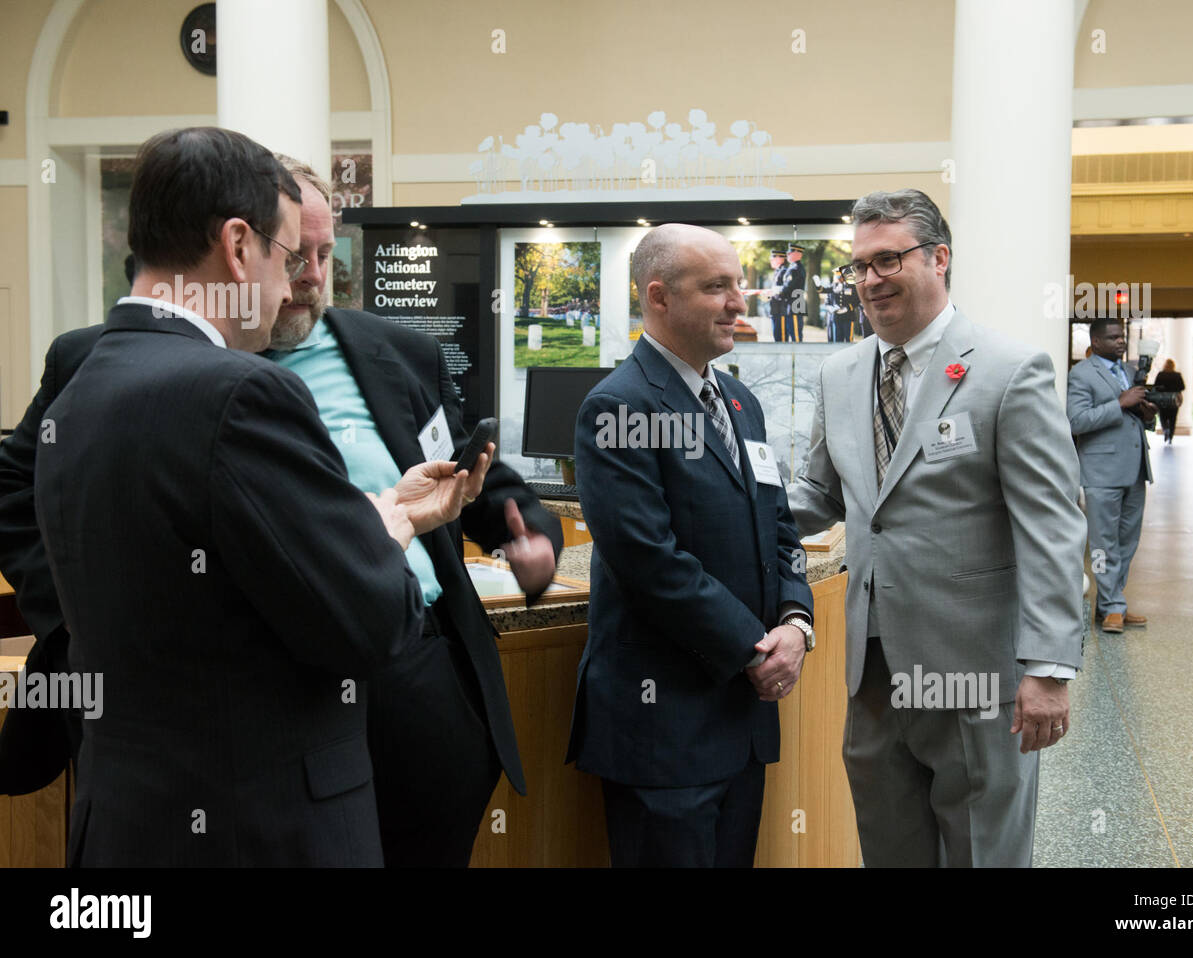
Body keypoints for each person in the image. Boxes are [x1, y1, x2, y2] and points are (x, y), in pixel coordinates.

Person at [22, 127, 491, 866]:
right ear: (238, 247)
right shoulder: (241, 392)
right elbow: (369, 621)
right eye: (281, 256)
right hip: (259, 825)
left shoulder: (90, 381)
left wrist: (381, 514)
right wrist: (379, 535)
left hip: (126, 822)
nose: (291, 286)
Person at [264, 156, 563, 867]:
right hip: (277, 690)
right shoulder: (170, 360)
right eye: (293, 255)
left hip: (417, 678)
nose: (313, 275)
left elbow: (470, 478)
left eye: (325, 253)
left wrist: (530, 533)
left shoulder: (397, 353)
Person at [786, 189, 1086, 867]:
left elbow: (1052, 527)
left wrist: (1048, 667)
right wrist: (720, 509)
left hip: (975, 672)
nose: (868, 280)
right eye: (857, 266)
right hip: (873, 671)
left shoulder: (1010, 372)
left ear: (939, 257)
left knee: (983, 847)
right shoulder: (839, 374)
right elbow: (816, 494)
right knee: (889, 847)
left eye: (886, 260)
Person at [566, 223, 814, 867]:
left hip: (741, 721)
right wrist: (753, 649)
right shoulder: (617, 406)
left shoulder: (738, 402)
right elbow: (650, 560)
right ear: (659, 297)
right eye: (716, 287)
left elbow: (779, 526)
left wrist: (794, 621)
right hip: (664, 726)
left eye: (738, 284)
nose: (739, 302)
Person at [1066, 319, 1156, 635]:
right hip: (1102, 472)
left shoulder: (1130, 373)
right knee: (1104, 544)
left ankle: (1111, 603)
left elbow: (1135, 418)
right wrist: (1119, 402)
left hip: (1135, 469)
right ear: (1096, 341)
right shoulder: (1082, 374)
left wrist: (1146, 415)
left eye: (1122, 336)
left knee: (1127, 541)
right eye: (1113, 337)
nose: (1120, 342)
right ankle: (1113, 607)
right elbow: (1075, 421)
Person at [776, 243, 807, 342]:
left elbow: (788, 287)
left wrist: (777, 291)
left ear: (798, 254)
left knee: (796, 336)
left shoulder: (796, 268)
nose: (788, 254)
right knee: (792, 333)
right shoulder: (793, 267)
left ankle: (798, 357)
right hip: (792, 305)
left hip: (795, 305)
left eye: (791, 252)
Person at [1153, 357, 1186, 444]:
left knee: (1162, 417)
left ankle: (1165, 430)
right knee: (1173, 418)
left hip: (1162, 399)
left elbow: (1156, 386)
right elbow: (1182, 387)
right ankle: (1170, 436)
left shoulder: (1161, 374)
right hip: (1174, 399)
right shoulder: (1177, 375)